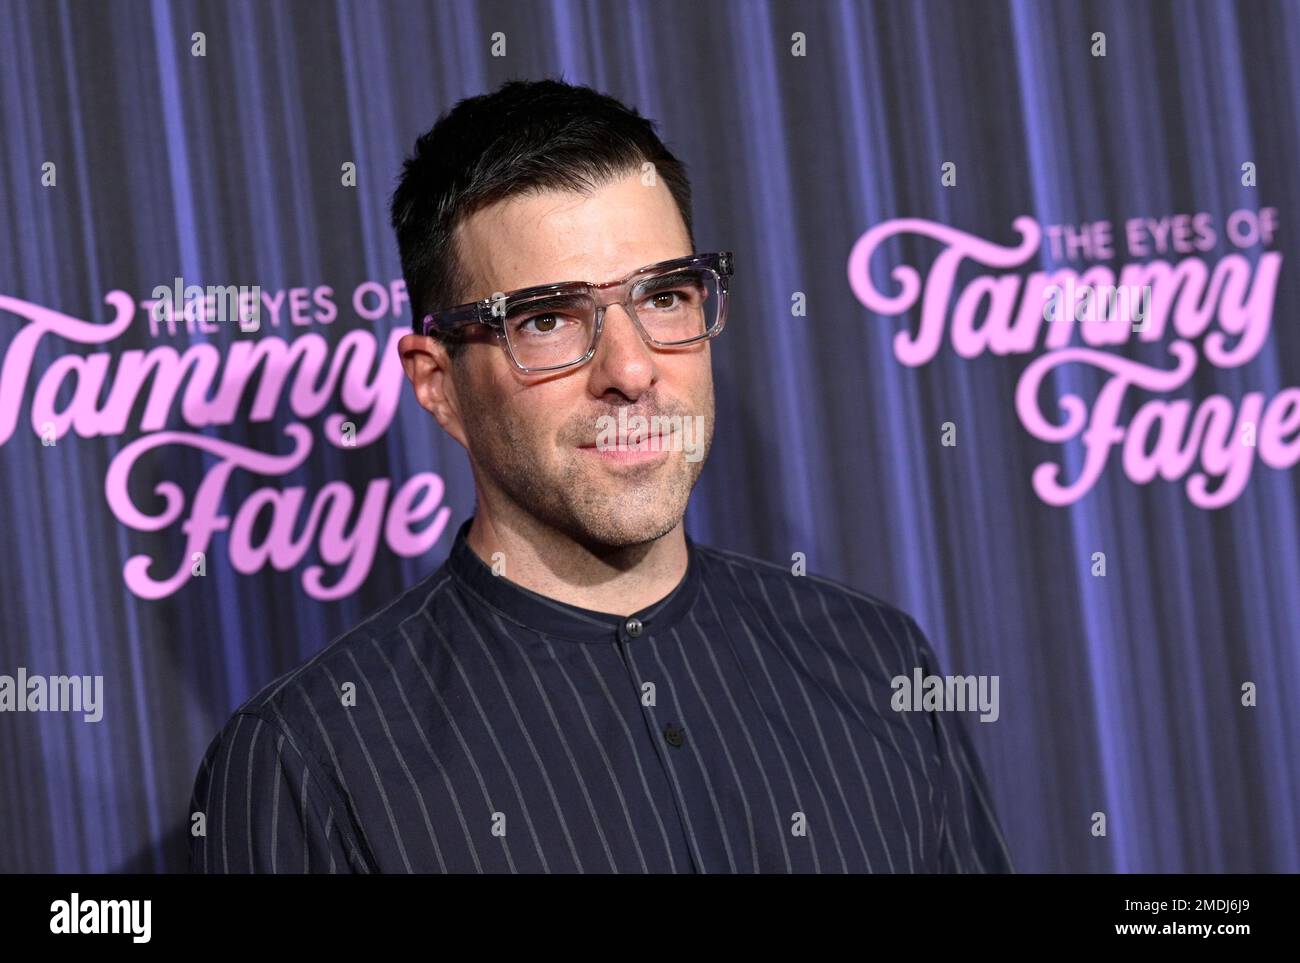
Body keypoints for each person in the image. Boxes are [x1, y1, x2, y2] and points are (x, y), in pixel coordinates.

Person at [189, 77, 1014, 873]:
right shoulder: (311, 761)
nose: (631, 368)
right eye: (549, 318)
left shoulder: (875, 662)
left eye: (664, 297)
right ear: (438, 384)